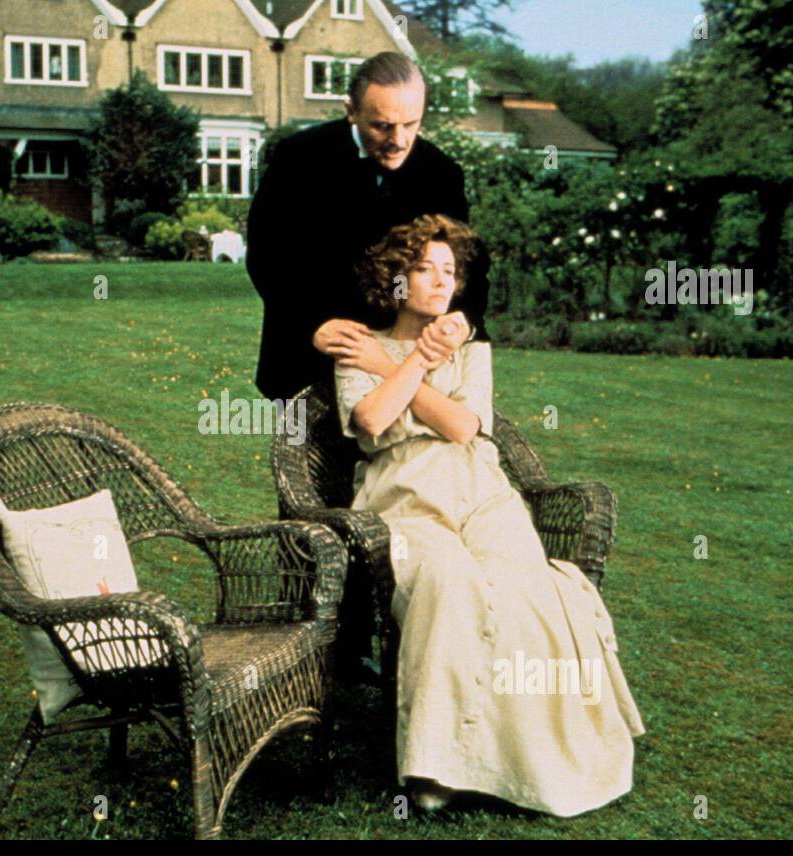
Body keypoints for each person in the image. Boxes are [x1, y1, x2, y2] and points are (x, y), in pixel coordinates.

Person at [334, 212, 646, 817]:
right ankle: (438, 765)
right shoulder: (357, 348)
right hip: (404, 495)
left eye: (448, 271)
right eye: (422, 268)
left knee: (531, 587)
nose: (438, 280)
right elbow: (371, 424)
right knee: (448, 585)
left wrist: (399, 369)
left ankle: (528, 754)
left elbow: (462, 425)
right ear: (393, 278)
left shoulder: (474, 351)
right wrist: (408, 360)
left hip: (482, 489)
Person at [246, 51, 489, 404]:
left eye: (411, 124)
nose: (399, 140)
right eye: (383, 126)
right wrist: (311, 325)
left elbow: (471, 266)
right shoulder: (298, 158)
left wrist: (464, 321)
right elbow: (268, 258)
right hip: (308, 362)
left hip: (403, 366)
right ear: (351, 111)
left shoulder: (443, 174)